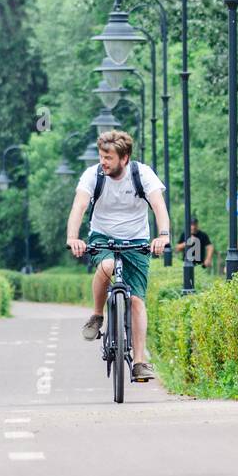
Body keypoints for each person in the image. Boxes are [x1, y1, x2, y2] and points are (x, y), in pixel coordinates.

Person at [65, 130, 170, 381]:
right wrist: (73, 237)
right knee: (108, 265)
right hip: (102, 236)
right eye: (102, 156)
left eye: (109, 157)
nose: (104, 162)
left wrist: (163, 235)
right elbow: (79, 206)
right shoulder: (93, 175)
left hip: (136, 240)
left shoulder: (142, 174)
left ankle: (140, 362)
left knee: (136, 300)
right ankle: (97, 314)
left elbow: (158, 206)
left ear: (124, 158)